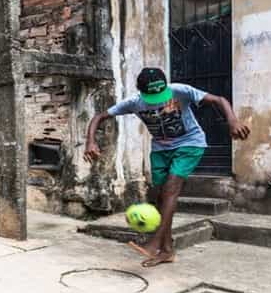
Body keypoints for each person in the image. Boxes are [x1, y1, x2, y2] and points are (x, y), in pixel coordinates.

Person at [85, 67, 250, 267]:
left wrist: (232, 121)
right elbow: (99, 117)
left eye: (161, 95)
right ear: (140, 90)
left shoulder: (180, 90)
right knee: (161, 197)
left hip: (190, 143)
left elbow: (219, 100)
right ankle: (167, 251)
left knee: (171, 189)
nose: (159, 100)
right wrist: (90, 142)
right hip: (160, 149)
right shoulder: (134, 102)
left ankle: (155, 242)